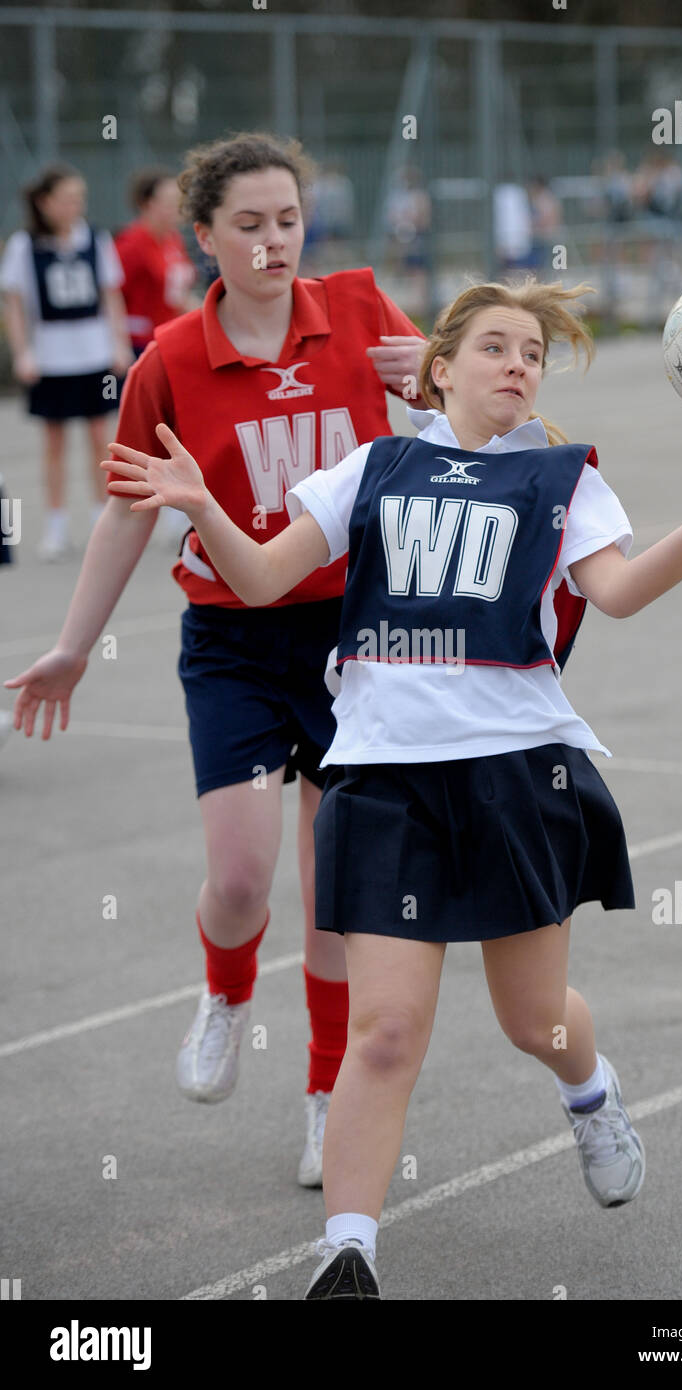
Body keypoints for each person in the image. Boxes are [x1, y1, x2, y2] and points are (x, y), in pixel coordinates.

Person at [94, 276, 682, 1300]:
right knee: (386, 1031)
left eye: (531, 353)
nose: (518, 364)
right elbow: (257, 581)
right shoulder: (374, 467)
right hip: (384, 778)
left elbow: (615, 595)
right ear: (438, 370)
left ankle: (590, 1092)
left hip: (519, 773)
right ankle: (347, 1252)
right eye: (495, 348)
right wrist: (204, 502)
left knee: (535, 1021)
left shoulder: (562, 479)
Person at [3, 130, 426, 1188]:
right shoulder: (170, 364)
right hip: (234, 638)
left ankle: (329, 1101)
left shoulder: (367, 313)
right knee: (238, 881)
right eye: (250, 223)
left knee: (335, 891)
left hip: (359, 640)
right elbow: (126, 516)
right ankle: (227, 995)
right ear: (204, 236)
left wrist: (428, 378)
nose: (276, 240)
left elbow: (474, 419)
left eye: (289, 218)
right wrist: (69, 647)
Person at [0, 164, 133, 559]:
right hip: (51, 357)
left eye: (79, 198)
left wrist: (119, 344)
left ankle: (98, 516)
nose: (75, 205)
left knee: (99, 438)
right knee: (54, 444)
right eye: (67, 198)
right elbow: (16, 305)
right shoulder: (26, 245)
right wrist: (23, 352)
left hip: (93, 352)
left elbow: (111, 296)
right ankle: (56, 523)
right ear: (45, 203)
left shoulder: (95, 239)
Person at [115, 166, 200, 545]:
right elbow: (112, 297)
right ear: (147, 204)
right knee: (150, 431)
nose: (174, 210)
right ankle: (145, 511)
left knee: (179, 427)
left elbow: (178, 296)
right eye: (166, 202)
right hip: (141, 347)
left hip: (172, 343)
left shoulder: (173, 242)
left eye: (176, 203)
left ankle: (177, 508)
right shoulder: (131, 245)